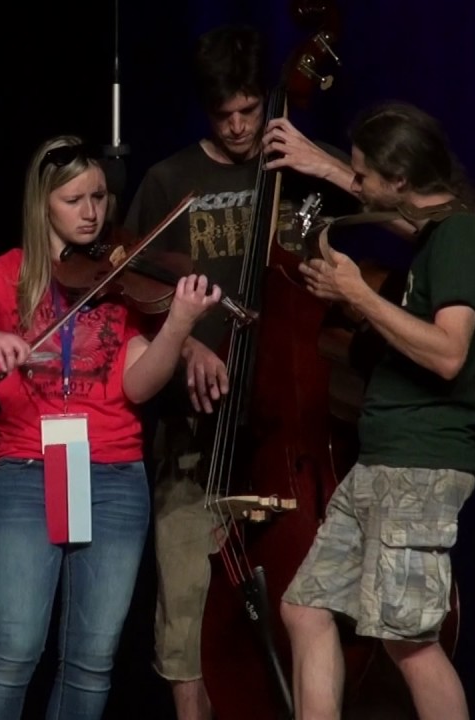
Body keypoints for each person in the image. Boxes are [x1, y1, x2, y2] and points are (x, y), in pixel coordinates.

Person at [0, 135, 221, 720]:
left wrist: (178, 325)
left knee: (92, 661)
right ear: (42, 203)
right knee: (13, 650)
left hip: (115, 476)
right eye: (74, 200)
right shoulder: (6, 275)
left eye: (99, 197)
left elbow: (138, 386)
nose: (91, 212)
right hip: (26, 470)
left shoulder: (121, 274)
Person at [121, 24, 357, 720]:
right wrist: (183, 343)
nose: (238, 128)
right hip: (197, 437)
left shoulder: (300, 166)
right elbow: (129, 288)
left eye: (250, 111)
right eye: (223, 115)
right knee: (186, 621)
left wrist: (326, 165)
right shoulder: (169, 181)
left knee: (307, 611)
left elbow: (401, 212)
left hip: (294, 429)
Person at [262, 100, 475, 719]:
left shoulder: (463, 237)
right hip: (384, 460)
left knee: (409, 640)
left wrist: (359, 295)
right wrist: (320, 166)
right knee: (304, 607)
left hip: (419, 465)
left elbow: (449, 352)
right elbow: (402, 228)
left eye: (363, 175)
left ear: (399, 179)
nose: (357, 185)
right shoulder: (441, 232)